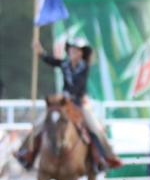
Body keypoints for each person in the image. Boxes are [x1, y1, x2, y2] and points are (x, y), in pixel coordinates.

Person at [16, 37, 122, 171]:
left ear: (81, 53)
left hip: (78, 103)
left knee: (95, 128)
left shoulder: (84, 67)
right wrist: (40, 51)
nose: (73, 52)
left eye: (76, 50)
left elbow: (79, 86)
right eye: (71, 49)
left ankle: (106, 157)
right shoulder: (65, 64)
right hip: (63, 104)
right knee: (40, 123)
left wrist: (67, 96)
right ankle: (25, 152)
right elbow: (52, 61)